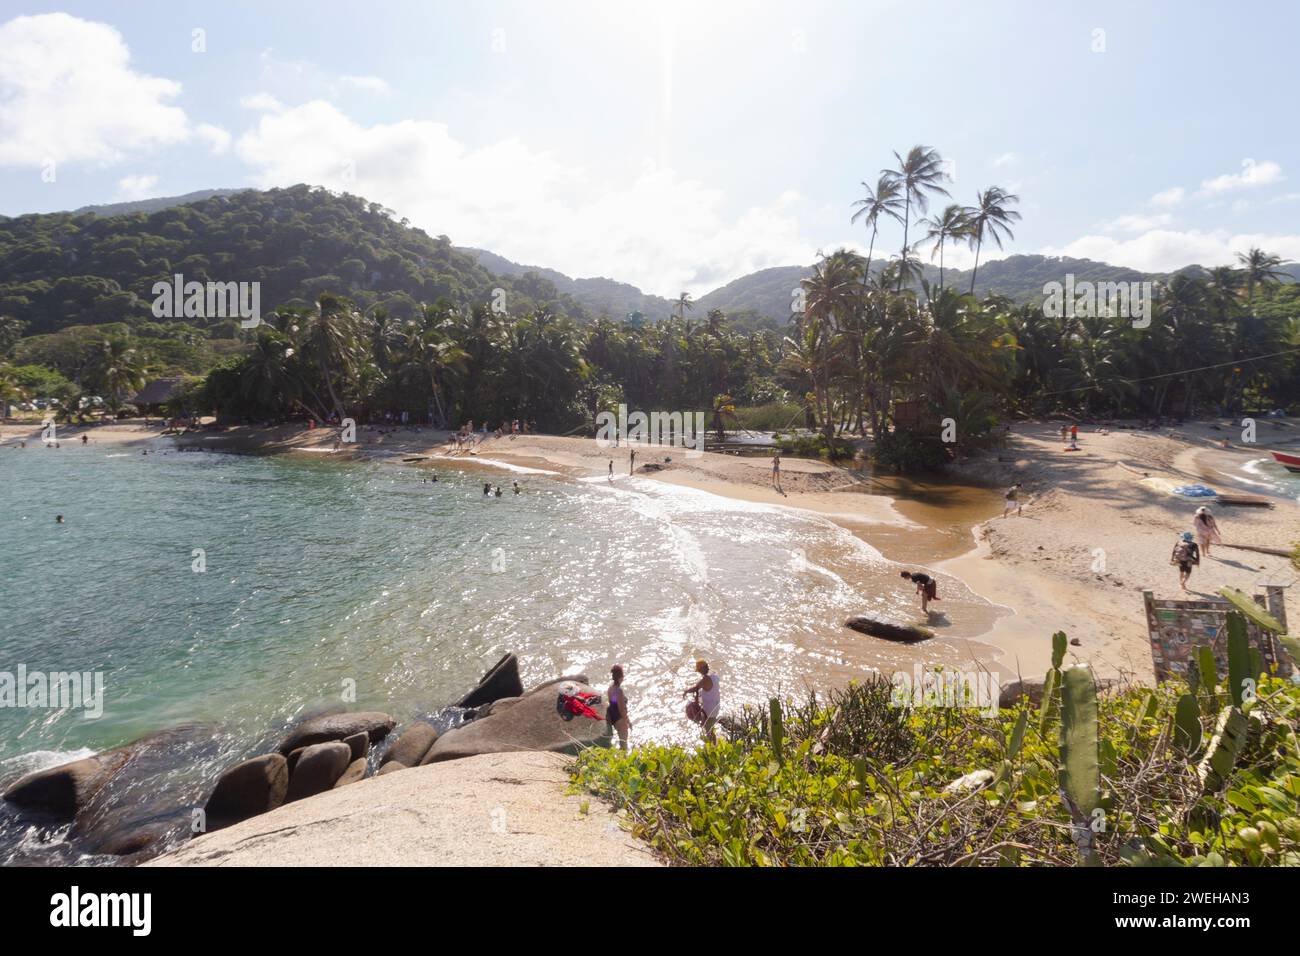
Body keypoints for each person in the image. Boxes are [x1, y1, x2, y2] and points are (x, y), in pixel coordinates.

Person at [684, 660, 721, 742]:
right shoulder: (714, 676)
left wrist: (686, 692)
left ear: (701, 670)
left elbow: (695, 688)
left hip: (709, 710)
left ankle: (713, 748)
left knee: (708, 731)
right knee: (709, 728)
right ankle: (713, 745)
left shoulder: (705, 680)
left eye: (699, 670)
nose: (699, 672)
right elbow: (710, 690)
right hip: (716, 706)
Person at [605, 664, 631, 751]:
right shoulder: (619, 691)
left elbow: (612, 703)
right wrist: (628, 721)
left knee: (621, 743)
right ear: (621, 677)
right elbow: (621, 709)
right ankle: (624, 762)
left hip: (614, 718)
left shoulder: (610, 689)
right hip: (620, 719)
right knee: (624, 744)